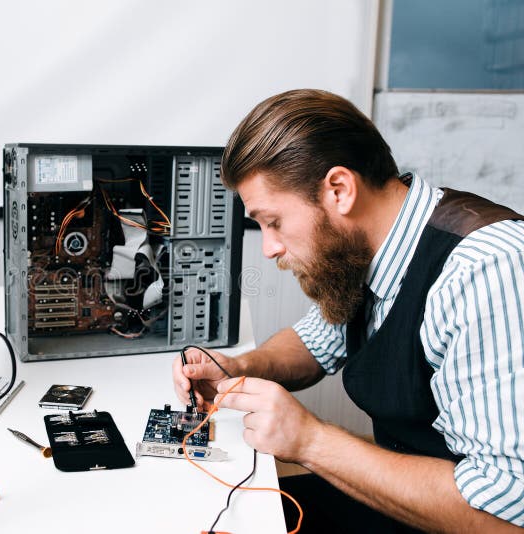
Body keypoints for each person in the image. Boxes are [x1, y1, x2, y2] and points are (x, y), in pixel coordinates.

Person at [173, 89, 524, 532]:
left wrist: (311, 441)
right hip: (399, 503)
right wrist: (239, 367)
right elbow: (314, 343)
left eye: (274, 222)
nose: (269, 248)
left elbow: (506, 515)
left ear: (339, 190)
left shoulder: (486, 270)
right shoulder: (367, 248)